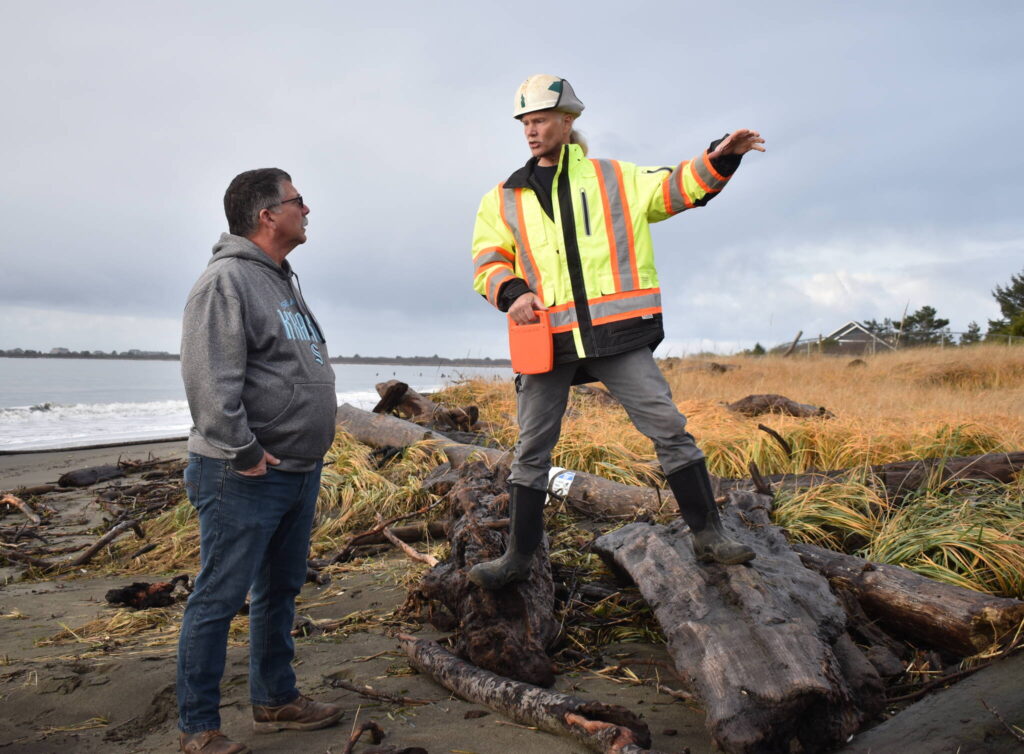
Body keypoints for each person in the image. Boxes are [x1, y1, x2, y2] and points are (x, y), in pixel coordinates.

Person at [469, 75, 766, 590]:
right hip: (548, 342)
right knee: (531, 450)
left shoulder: (614, 178)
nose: (530, 131)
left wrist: (721, 157)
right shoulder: (502, 198)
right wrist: (512, 292)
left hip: (617, 335)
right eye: (525, 122)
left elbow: (677, 188)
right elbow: (487, 260)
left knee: (669, 428)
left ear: (568, 121)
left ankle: (709, 535)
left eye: (539, 120)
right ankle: (518, 557)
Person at [177, 168, 342, 753]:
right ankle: (198, 728)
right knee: (219, 597)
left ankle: (275, 699)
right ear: (267, 214)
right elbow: (208, 383)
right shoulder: (226, 282)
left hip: (296, 470)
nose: (307, 208)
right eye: (298, 200)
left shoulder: (280, 279)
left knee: (280, 590)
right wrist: (244, 450)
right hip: (244, 472)